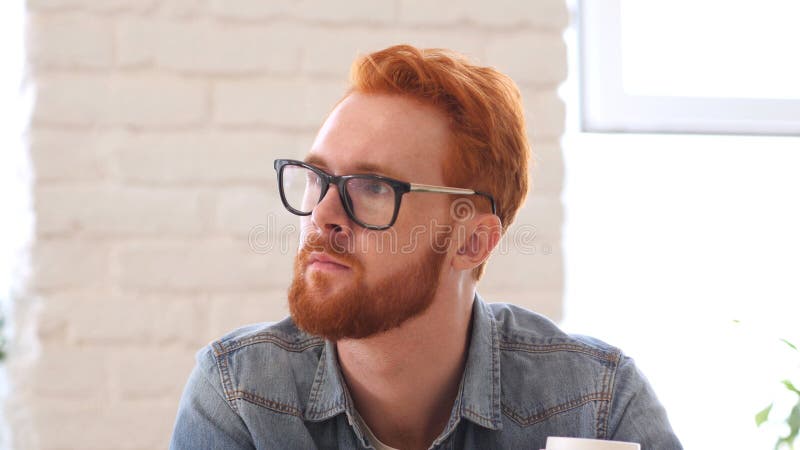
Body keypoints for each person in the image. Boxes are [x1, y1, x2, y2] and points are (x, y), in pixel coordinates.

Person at [170, 44, 682, 450]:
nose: (323, 214)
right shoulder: (241, 395)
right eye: (316, 176)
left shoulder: (596, 405)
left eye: (372, 187)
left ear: (473, 241)